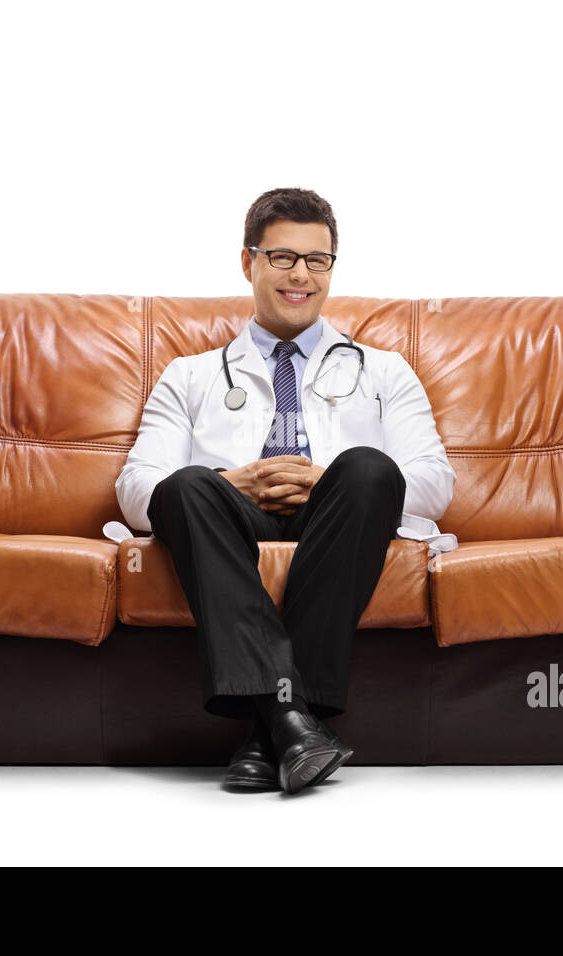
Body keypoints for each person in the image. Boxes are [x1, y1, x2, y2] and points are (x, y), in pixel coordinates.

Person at [114, 187, 455, 794]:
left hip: (340, 516)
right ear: (248, 262)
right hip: (231, 518)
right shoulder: (189, 375)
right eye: (282, 258)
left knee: (370, 470)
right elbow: (138, 488)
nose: (301, 275)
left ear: (330, 268)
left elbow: (434, 483)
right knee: (187, 486)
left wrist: (327, 481)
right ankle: (295, 725)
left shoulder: (384, 370)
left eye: (316, 260)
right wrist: (232, 482)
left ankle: (270, 730)